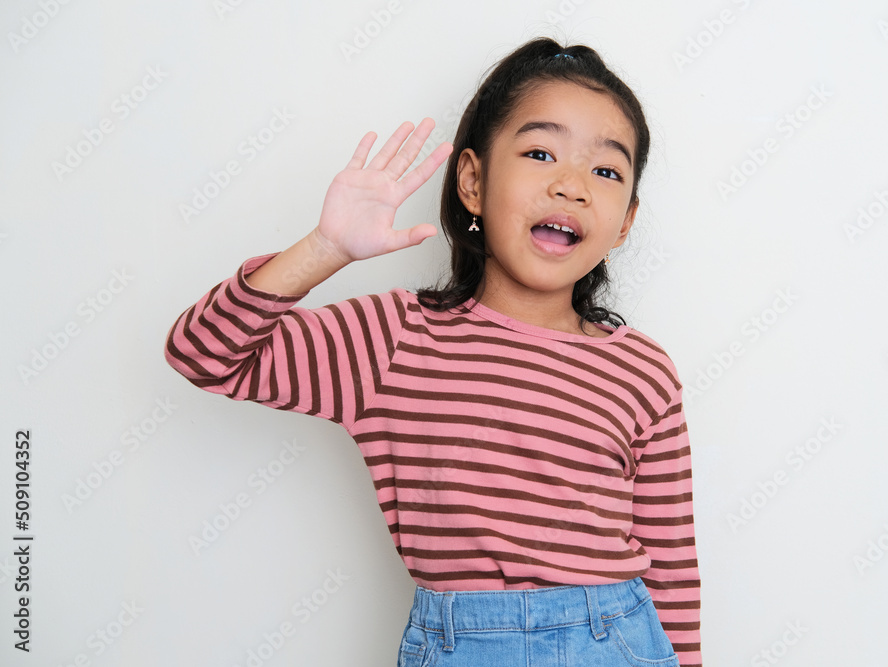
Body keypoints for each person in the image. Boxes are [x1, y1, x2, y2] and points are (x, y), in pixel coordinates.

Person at [164, 36, 701, 667]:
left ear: (625, 222)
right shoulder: (394, 338)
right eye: (540, 153)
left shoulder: (643, 370)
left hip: (619, 642)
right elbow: (203, 354)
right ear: (472, 181)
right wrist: (325, 249)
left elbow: (671, 569)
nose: (572, 186)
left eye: (606, 171)